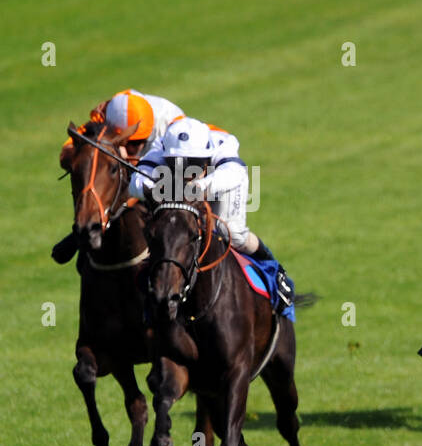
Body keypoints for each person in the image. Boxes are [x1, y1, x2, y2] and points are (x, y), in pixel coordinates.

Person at [129, 117, 294, 306]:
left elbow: (235, 173)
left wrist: (198, 187)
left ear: (206, 158)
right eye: (177, 164)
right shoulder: (160, 147)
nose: (186, 171)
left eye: (194, 164)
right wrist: (162, 188)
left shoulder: (222, 146)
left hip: (219, 182)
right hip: (180, 188)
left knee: (230, 232)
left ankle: (274, 271)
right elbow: (136, 184)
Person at [52, 88, 186, 264]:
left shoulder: (173, 125)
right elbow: (66, 154)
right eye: (128, 143)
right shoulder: (106, 115)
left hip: (170, 169)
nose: (132, 149)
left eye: (137, 143)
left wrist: (130, 163)